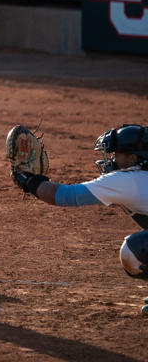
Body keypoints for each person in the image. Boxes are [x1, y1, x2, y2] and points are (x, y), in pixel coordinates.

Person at [12, 124, 148, 316]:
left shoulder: (127, 180)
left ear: (133, 158)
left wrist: (28, 180)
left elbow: (67, 195)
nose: (112, 159)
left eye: (116, 154)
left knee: (134, 251)